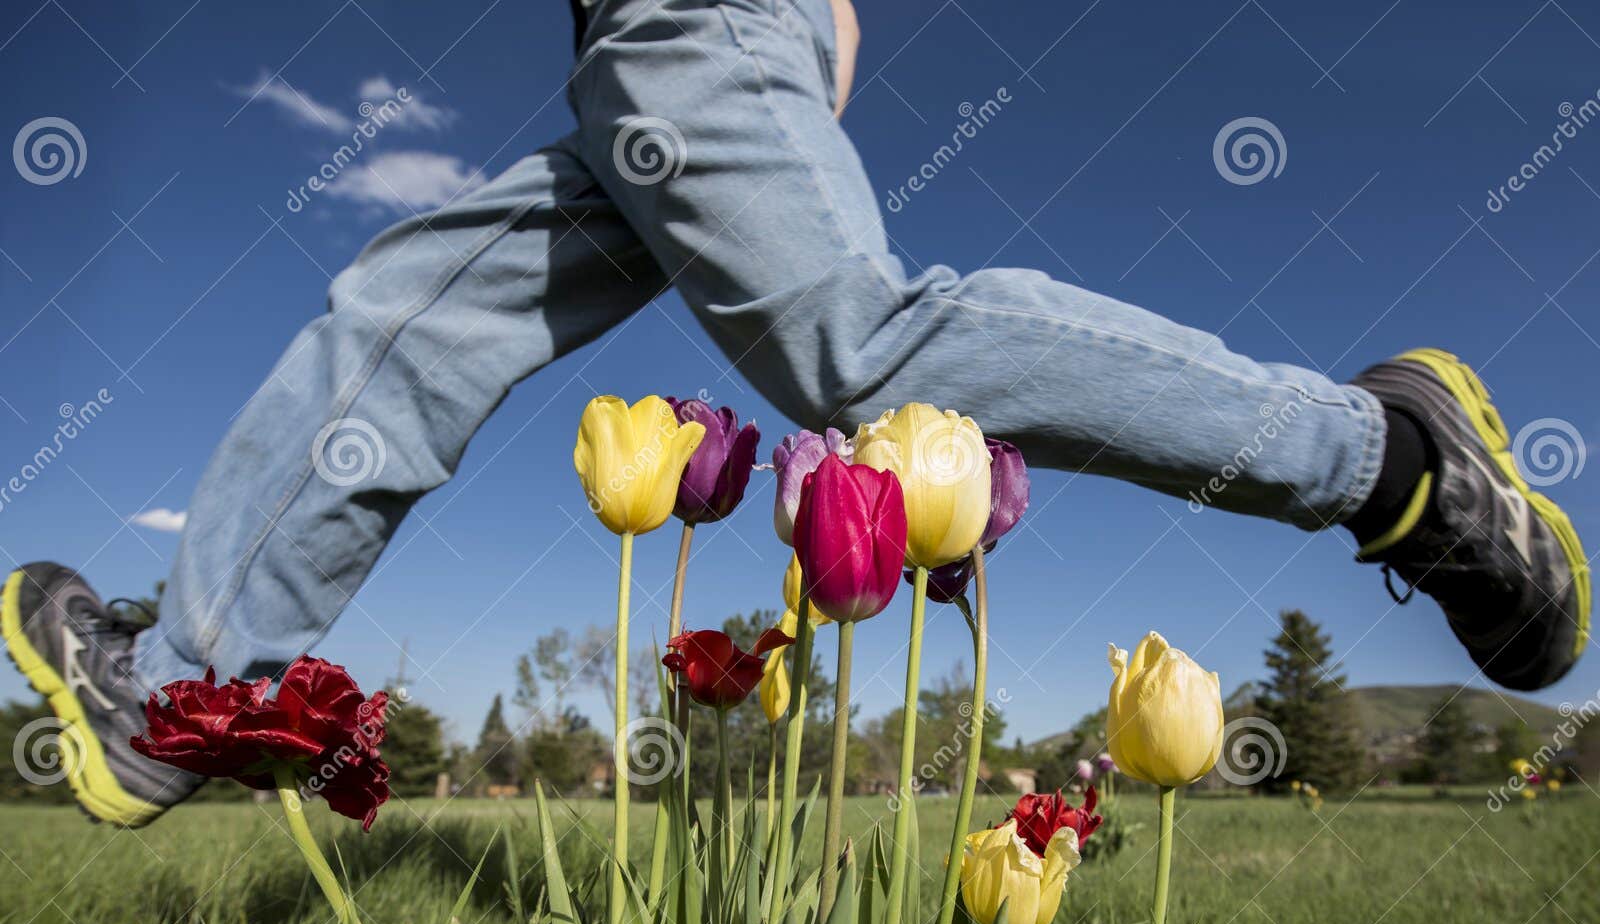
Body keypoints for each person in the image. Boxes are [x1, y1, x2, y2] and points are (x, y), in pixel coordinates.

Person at [4, 0, 1587, 826]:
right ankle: (201, 691)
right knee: (422, 309)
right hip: (665, 43)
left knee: (853, 354)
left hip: (690, 24)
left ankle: (1392, 464)